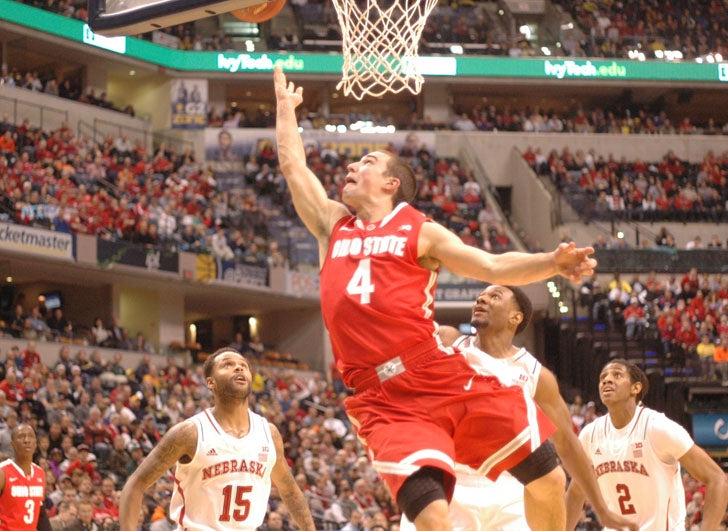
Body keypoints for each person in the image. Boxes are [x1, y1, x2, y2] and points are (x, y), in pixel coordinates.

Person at [274, 67, 596, 530]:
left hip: (435, 372)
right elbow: (293, 167)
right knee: (433, 521)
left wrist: (552, 263)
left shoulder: (419, 230)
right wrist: (286, 111)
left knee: (548, 477)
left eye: (366, 162)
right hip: (382, 399)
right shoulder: (332, 224)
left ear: (391, 183)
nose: (351, 168)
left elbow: (491, 266)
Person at [401, 285, 635, 530]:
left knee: (551, 481)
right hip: (447, 479)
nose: (481, 299)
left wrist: (601, 508)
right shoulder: (448, 341)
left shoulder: (536, 375)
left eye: (494, 296)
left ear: (516, 317)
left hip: (509, 489)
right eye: (480, 296)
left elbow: (567, 443)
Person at [119, 348, 316, 531]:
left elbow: (290, 491)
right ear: (210, 382)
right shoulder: (190, 433)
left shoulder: (269, 433)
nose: (238, 367)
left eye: (244, 365)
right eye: (227, 364)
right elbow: (135, 484)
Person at [565, 360, 728, 530]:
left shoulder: (658, 428)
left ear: (636, 388)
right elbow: (576, 491)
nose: (607, 380)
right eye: (602, 377)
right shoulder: (590, 435)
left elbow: (717, 479)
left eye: (617, 375)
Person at [0, 424, 48, 531]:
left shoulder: (40, 474)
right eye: (21, 436)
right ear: (12, 444)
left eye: (30, 436)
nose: (27, 440)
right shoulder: (0, 474)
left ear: (35, 443)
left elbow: (40, 515)